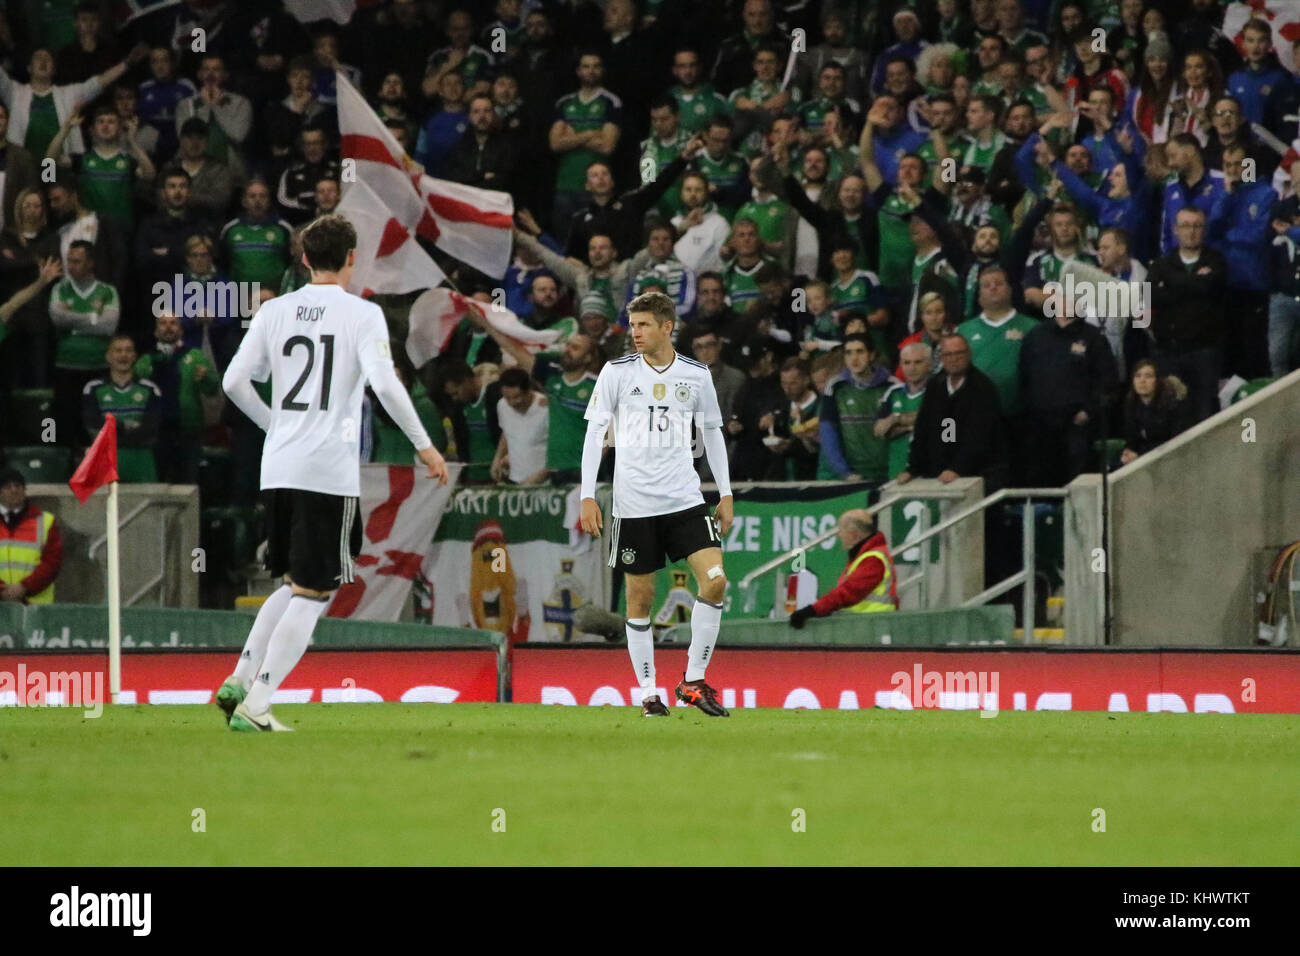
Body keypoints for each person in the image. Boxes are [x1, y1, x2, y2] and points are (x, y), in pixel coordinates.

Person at [217, 214, 449, 732]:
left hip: (277, 468)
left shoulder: (274, 310)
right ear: (351, 259)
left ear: (302, 259)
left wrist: (274, 424)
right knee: (315, 592)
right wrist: (425, 445)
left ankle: (240, 678)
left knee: (296, 581)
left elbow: (234, 382)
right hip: (326, 471)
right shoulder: (362, 314)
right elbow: (387, 387)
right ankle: (257, 704)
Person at [579, 291, 733, 718]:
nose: (636, 333)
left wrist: (725, 492)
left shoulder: (696, 375)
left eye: (644, 325)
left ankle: (693, 680)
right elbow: (595, 435)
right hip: (633, 506)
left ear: (668, 327)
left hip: (685, 499)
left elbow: (713, 433)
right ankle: (648, 693)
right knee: (640, 601)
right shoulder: (616, 372)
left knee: (716, 581)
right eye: (632, 325)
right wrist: (587, 495)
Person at [897, 332, 1008, 490]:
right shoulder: (935, 385)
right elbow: (923, 428)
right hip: (939, 473)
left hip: (977, 474)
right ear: (941, 358)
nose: (953, 358)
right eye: (948, 354)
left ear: (969, 354)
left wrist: (958, 468)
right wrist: (913, 468)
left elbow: (979, 436)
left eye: (959, 353)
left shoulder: (983, 388)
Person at [1148, 206, 1228, 422]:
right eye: (1185, 226)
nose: (1191, 231)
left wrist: (1171, 284)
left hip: (1205, 352)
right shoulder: (1161, 264)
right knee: (1171, 413)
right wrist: (1196, 283)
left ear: (1204, 229)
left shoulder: (1216, 261)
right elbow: (1151, 297)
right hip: (1169, 352)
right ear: (1175, 229)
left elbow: (1210, 288)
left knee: (1205, 413)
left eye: (1197, 226)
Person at [134, 311, 218, 484]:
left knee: (188, 480)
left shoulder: (195, 356)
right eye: (163, 323)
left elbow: (212, 390)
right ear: (156, 331)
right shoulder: (145, 360)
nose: (168, 327)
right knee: (157, 480)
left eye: (173, 323)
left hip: (188, 428)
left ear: (181, 330)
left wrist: (206, 378)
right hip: (156, 431)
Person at [788, 509, 898, 627]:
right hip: (867, 625)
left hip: (873, 627)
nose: (838, 535)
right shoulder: (867, 555)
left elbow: (847, 593)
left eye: (841, 530)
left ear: (854, 534)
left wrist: (812, 610)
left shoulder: (872, 559)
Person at [82, 334, 161, 483]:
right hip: (105, 460)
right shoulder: (93, 388)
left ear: (134, 356)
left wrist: (113, 428)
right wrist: (126, 426)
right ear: (108, 356)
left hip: (141, 461)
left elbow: (151, 430)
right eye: (118, 351)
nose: (123, 355)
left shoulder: (150, 389)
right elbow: (92, 424)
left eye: (128, 350)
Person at [0, 467, 63, 604]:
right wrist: (2, 591)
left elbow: (52, 562)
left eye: (18, 485)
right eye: (7, 486)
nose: (13, 490)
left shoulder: (46, 521)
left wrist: (25, 587)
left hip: (36, 609)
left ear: (24, 490)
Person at [1120, 359, 1192, 464]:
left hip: (1171, 460)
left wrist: (1140, 455)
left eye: (1148, 376)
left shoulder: (1172, 404)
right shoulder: (1131, 404)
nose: (1142, 381)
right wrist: (1128, 451)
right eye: (1137, 376)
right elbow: (1132, 438)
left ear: (1157, 381)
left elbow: (1173, 442)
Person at [877, 341, 931, 479]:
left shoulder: (940, 391)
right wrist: (910, 426)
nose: (912, 368)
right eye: (907, 363)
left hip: (930, 473)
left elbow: (947, 428)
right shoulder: (892, 392)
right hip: (897, 472)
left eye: (917, 362)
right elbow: (880, 431)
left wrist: (896, 420)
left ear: (929, 365)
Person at [491, 366, 549, 484]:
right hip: (515, 479)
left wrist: (539, 477)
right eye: (508, 398)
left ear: (529, 391)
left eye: (517, 397)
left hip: (544, 482)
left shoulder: (546, 409)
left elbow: (559, 450)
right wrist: (497, 459)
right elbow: (507, 433)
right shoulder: (502, 405)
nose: (512, 403)